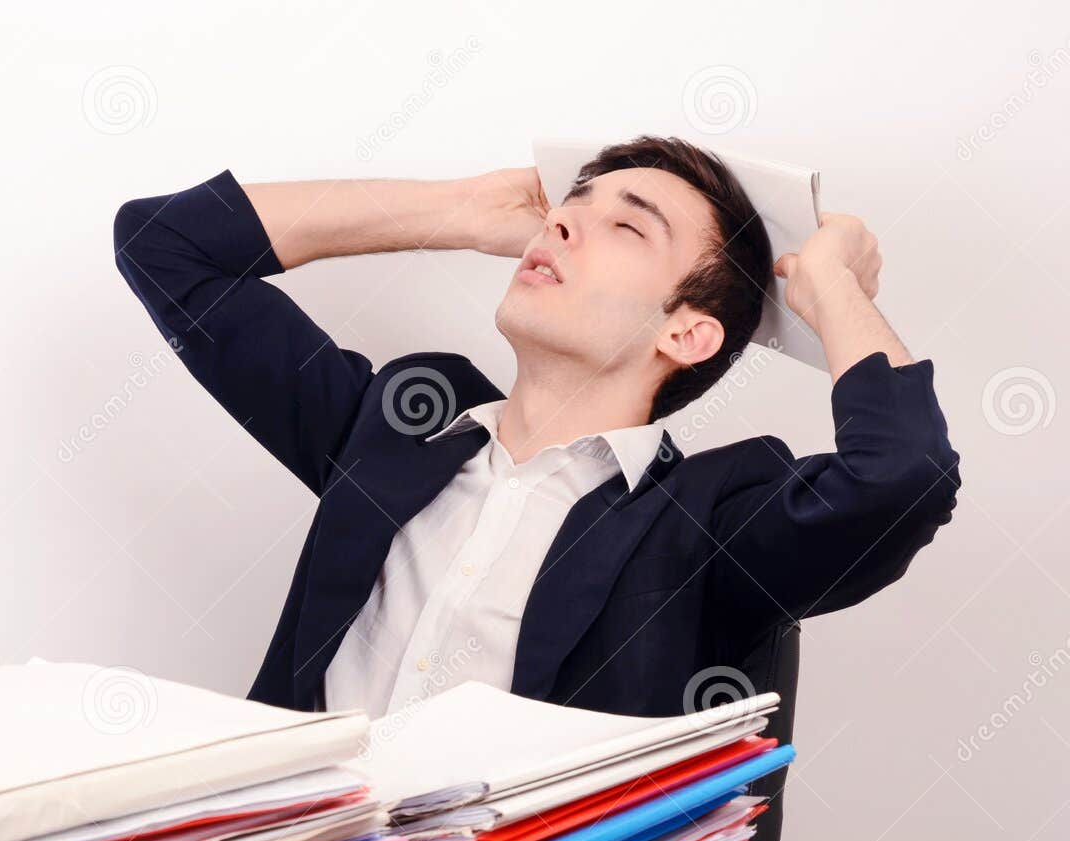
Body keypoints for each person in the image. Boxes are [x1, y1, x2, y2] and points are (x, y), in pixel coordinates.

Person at [112, 137, 960, 726]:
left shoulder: (708, 526)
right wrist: (460, 211)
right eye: (569, 206)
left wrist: (831, 285)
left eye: (626, 225)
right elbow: (166, 244)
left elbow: (900, 478)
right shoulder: (392, 433)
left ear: (688, 333)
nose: (563, 222)